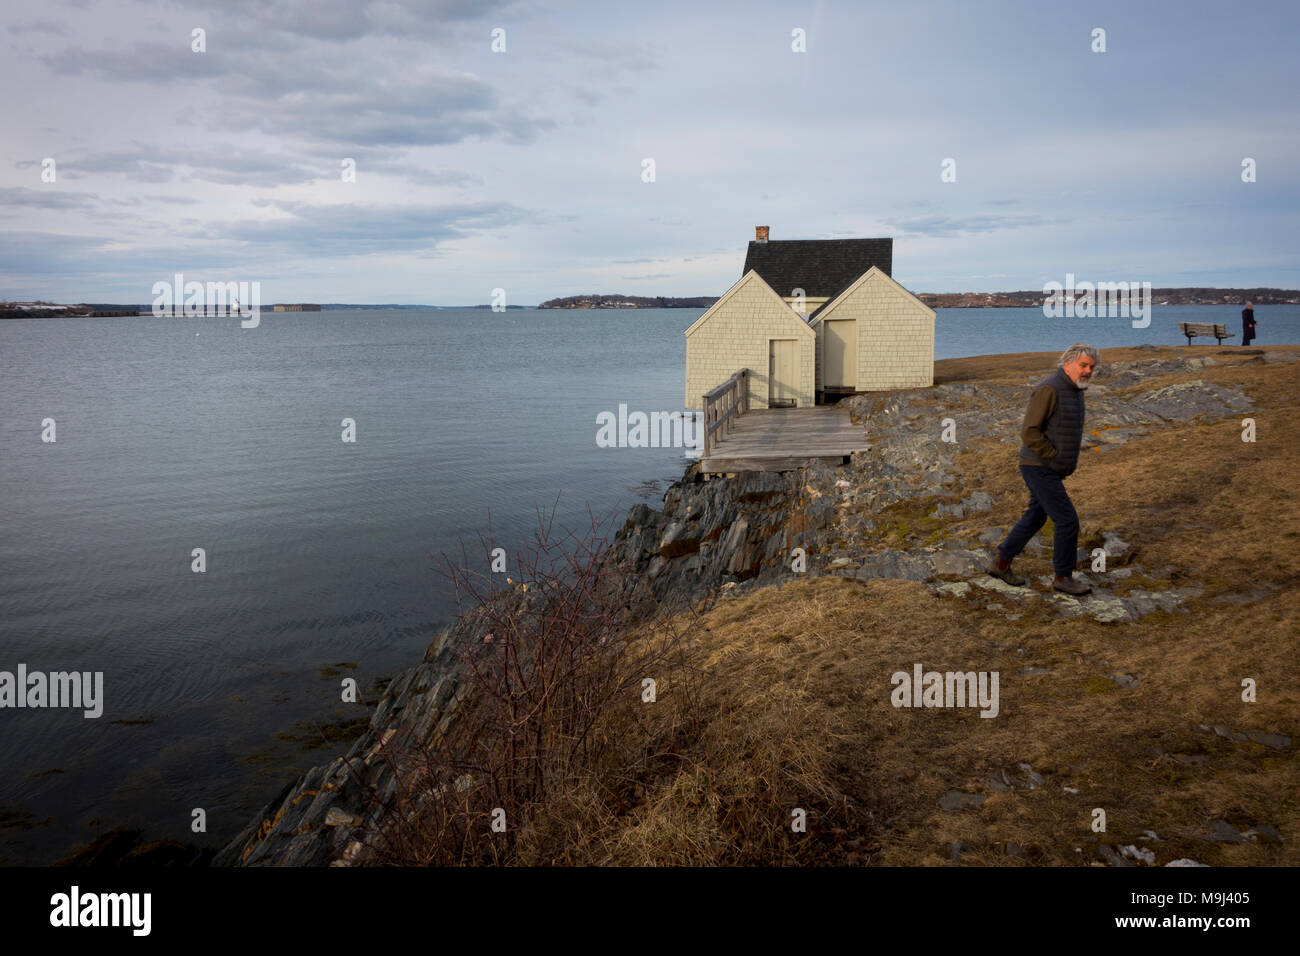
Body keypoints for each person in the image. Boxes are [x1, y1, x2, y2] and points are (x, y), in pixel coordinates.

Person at [986, 343, 1099, 595]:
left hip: (1049, 467)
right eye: (1083, 365)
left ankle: (1000, 562)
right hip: (1038, 466)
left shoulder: (1075, 389)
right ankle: (1063, 578)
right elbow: (1029, 431)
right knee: (1067, 520)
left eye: (1091, 366)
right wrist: (1054, 457)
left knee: (1036, 517)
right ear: (1067, 364)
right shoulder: (1050, 389)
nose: (1088, 370)